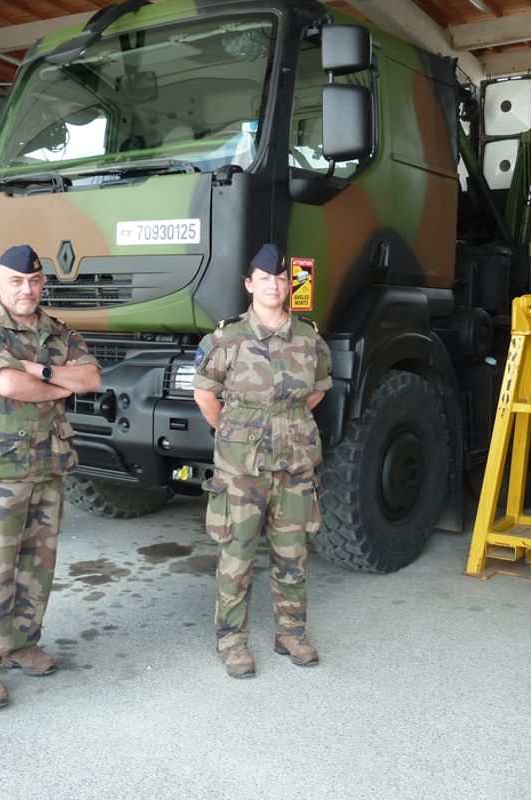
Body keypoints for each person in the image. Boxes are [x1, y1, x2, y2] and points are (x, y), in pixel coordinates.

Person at [0, 244, 101, 709]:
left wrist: (37, 367)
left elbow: (91, 380)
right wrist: (57, 381)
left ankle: (22, 644)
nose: (27, 289)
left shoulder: (56, 331)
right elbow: (6, 385)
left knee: (38, 565)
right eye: (16, 281)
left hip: (47, 463)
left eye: (35, 281)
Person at [192, 243, 332, 678]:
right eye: (265, 278)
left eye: (281, 278)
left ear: (291, 285)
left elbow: (319, 389)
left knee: (293, 552)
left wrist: (282, 422)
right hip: (242, 468)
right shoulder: (226, 338)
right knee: (237, 553)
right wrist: (236, 433)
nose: (274, 285)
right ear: (249, 284)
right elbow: (204, 394)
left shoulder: (309, 337)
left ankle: (291, 633)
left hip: (294, 462)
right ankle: (232, 640)